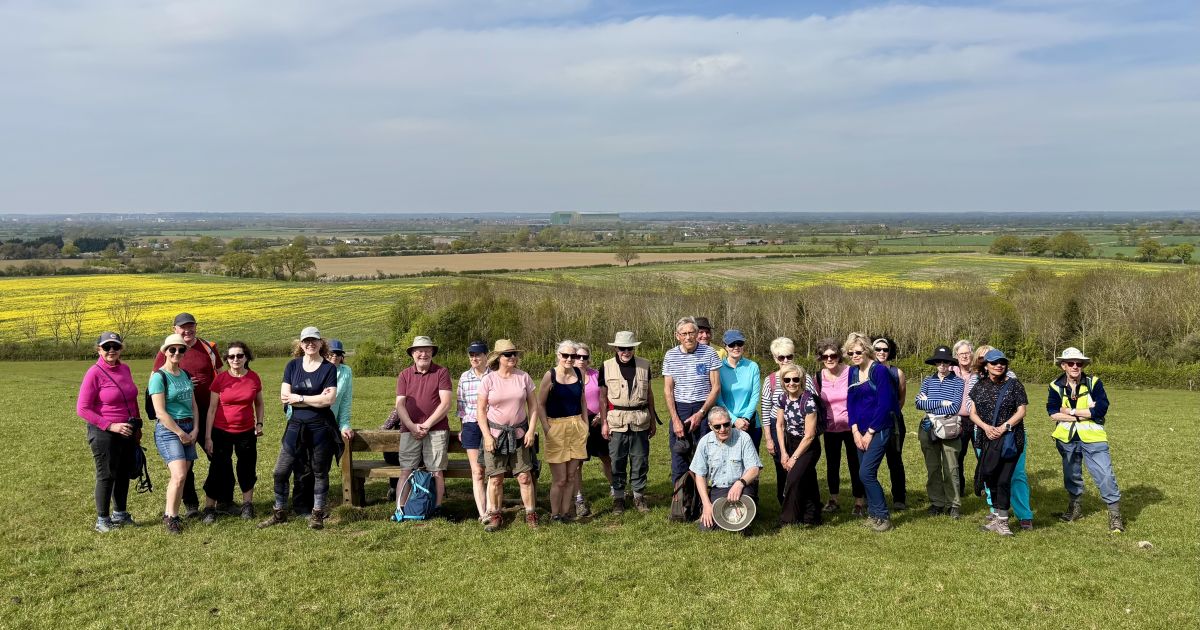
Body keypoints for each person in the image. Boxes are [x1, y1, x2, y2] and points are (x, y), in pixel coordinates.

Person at [259, 327, 339, 530]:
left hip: (321, 427)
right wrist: (314, 399)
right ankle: (279, 512)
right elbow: (285, 398)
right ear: (301, 344)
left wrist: (300, 398)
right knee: (280, 471)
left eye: (314, 340)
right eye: (306, 341)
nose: (310, 344)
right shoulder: (292, 366)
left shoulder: (329, 368)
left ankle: (317, 514)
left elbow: (329, 400)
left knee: (320, 471)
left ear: (321, 343)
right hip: (295, 426)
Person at [152, 312, 222, 518]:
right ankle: (191, 505)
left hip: (208, 413)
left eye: (191, 326)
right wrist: (182, 385)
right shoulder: (166, 350)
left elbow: (220, 373)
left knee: (218, 457)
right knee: (184, 465)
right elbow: (157, 378)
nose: (187, 330)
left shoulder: (208, 347)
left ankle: (219, 500)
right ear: (175, 329)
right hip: (179, 417)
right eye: (183, 327)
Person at [1047, 348, 1124, 533]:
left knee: (1104, 474)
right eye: (1071, 363)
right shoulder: (1055, 385)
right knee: (1071, 475)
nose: (1075, 366)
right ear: (1063, 365)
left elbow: (1101, 409)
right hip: (1067, 438)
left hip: (1093, 437)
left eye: (1079, 363)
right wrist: (1085, 414)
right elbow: (1052, 412)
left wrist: (1070, 411)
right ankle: (1075, 509)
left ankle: (1115, 515)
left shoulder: (1094, 383)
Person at [76, 332, 141, 533]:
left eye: (115, 346)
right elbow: (83, 408)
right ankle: (102, 520)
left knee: (123, 473)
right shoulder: (94, 373)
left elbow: (131, 399)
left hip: (127, 430)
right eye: (106, 347)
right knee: (106, 475)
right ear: (99, 350)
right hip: (104, 432)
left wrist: (138, 427)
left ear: (121, 348)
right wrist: (111, 426)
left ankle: (120, 513)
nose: (111, 350)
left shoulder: (125, 369)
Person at [478, 339, 540, 531]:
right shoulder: (489, 379)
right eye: (508, 354)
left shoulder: (523, 377)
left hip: (520, 434)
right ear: (499, 358)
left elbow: (534, 406)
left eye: (514, 354)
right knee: (496, 478)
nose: (512, 357)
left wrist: (530, 430)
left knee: (525, 477)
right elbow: (480, 411)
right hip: (496, 436)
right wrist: (487, 436)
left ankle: (531, 514)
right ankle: (495, 515)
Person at [970, 345, 1034, 531]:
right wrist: (985, 427)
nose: (999, 365)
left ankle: (1004, 522)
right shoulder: (979, 386)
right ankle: (996, 518)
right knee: (990, 477)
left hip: (1010, 439)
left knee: (1005, 478)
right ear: (986, 366)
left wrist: (1004, 427)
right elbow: (973, 412)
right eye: (994, 362)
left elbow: (1022, 411)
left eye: (1002, 362)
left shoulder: (1014, 384)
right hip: (986, 437)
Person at [201, 341, 264, 523]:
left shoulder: (253, 378)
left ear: (246, 357)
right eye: (231, 356)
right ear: (227, 359)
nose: (235, 359)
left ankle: (247, 505)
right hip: (221, 431)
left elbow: (259, 403)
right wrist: (207, 437)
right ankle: (209, 508)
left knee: (247, 467)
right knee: (218, 468)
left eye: (239, 355)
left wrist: (259, 424)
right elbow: (212, 409)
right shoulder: (220, 380)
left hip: (246, 431)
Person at [292, 339, 354, 517]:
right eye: (331, 354)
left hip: (327, 424)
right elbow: (295, 396)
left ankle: (318, 505)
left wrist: (344, 425)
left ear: (342, 357)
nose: (334, 358)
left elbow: (345, 401)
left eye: (338, 355)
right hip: (302, 421)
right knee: (303, 464)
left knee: (321, 465)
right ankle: (301, 505)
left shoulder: (345, 373)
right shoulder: (313, 368)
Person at [393, 336, 453, 518]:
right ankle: (400, 509)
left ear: (432, 353)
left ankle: (436, 508)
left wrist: (426, 425)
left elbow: (446, 403)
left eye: (427, 350)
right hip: (409, 431)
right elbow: (399, 405)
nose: (423, 354)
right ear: (412, 353)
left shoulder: (441, 372)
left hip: (436, 430)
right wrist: (411, 426)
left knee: (436, 471)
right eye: (419, 350)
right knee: (405, 471)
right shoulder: (404, 375)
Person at [844, 332, 898, 532]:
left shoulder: (879, 372)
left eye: (858, 352)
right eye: (850, 352)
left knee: (866, 473)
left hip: (879, 429)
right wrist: (856, 430)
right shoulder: (852, 372)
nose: (855, 355)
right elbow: (850, 402)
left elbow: (884, 405)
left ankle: (883, 517)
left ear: (866, 351)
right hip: (860, 430)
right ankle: (874, 514)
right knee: (864, 473)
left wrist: (870, 433)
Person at [599, 331, 657, 514]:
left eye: (629, 348)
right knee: (617, 460)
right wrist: (603, 423)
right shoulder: (606, 366)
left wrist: (653, 420)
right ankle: (618, 497)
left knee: (640, 460)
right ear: (616, 348)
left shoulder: (645, 365)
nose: (626, 351)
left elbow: (649, 394)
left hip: (640, 420)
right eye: (622, 348)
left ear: (634, 348)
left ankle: (639, 496)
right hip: (616, 420)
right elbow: (602, 397)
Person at [149, 333, 200, 534]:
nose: (177, 353)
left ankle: (175, 514)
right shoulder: (158, 377)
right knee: (178, 475)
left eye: (181, 350)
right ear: (165, 352)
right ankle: (170, 516)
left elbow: (193, 405)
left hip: (189, 427)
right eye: (173, 349)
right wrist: (180, 433)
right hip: (170, 430)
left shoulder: (185, 375)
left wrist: (195, 429)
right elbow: (160, 412)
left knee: (183, 475)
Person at [662, 317, 722, 485]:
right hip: (680, 409)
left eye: (691, 333)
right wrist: (675, 419)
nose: (688, 337)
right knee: (679, 457)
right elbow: (668, 389)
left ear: (697, 334)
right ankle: (681, 504)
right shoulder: (671, 355)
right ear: (677, 335)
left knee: (704, 457)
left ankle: (703, 502)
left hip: (703, 407)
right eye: (684, 334)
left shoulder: (710, 353)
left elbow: (716, 387)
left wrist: (701, 413)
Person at [537, 340, 589, 523]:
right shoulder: (549, 376)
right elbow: (540, 404)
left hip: (576, 426)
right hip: (556, 427)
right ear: (558, 356)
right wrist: (546, 427)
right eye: (565, 355)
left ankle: (567, 512)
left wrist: (585, 424)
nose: (569, 359)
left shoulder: (579, 373)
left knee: (571, 475)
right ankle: (555, 514)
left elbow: (583, 401)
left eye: (573, 356)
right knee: (559, 478)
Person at [759, 337, 814, 507]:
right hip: (779, 427)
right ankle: (784, 502)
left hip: (802, 428)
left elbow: (814, 403)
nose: (785, 361)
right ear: (775, 358)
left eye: (789, 357)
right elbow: (766, 410)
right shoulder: (771, 380)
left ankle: (806, 503)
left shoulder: (804, 377)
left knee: (802, 467)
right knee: (782, 466)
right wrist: (769, 438)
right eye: (781, 357)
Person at [814, 339, 865, 517]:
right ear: (820, 358)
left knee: (855, 464)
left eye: (833, 355)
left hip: (853, 427)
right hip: (830, 430)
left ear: (839, 356)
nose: (829, 359)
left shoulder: (851, 372)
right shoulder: (818, 377)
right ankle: (834, 499)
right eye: (825, 356)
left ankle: (859, 501)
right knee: (832, 464)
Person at [690, 407, 763, 532]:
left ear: (731, 422)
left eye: (726, 424)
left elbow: (754, 469)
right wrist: (707, 505)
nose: (723, 429)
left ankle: (745, 517)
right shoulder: (704, 442)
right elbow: (700, 475)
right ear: (710, 426)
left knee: (741, 527)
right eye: (717, 426)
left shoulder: (743, 438)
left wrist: (740, 484)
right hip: (719, 489)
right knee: (706, 528)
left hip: (743, 487)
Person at [914, 346, 965, 519]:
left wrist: (932, 401)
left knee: (951, 467)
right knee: (933, 467)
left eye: (945, 362)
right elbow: (918, 403)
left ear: (950, 364)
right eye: (939, 362)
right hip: (928, 427)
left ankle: (954, 504)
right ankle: (937, 502)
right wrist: (942, 402)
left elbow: (955, 406)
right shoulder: (928, 381)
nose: (942, 365)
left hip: (950, 427)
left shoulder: (958, 382)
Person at [774, 364, 823, 527]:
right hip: (791, 442)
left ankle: (787, 519)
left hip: (808, 446)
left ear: (801, 380)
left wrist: (794, 458)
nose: (791, 383)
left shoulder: (808, 401)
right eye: (787, 380)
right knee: (807, 478)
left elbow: (809, 435)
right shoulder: (782, 398)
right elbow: (780, 425)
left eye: (795, 379)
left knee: (794, 478)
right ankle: (812, 516)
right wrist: (783, 452)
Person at [573, 342, 611, 518]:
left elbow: (607, 397)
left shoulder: (597, 375)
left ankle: (615, 489)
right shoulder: (566, 377)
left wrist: (602, 417)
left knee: (606, 457)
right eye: (578, 356)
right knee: (577, 463)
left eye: (585, 357)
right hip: (576, 423)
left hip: (597, 421)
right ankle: (579, 498)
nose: (581, 360)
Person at [456, 340, 492, 523]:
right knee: (477, 471)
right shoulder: (464, 377)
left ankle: (494, 509)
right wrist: (463, 428)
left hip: (492, 426)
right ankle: (483, 513)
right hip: (471, 426)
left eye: (478, 354)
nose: (474, 358)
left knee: (492, 470)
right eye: (471, 355)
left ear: (487, 356)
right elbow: (461, 407)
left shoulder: (494, 376)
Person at [872, 336, 908, 511]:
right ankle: (869, 497)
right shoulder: (866, 371)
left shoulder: (897, 373)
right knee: (870, 462)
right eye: (877, 349)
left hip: (894, 424)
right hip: (872, 423)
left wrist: (890, 415)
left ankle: (899, 498)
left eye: (885, 349)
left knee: (895, 461)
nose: (881, 352)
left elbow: (901, 399)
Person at [717, 330, 762, 448]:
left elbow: (755, 395)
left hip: (751, 424)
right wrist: (734, 420)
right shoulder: (718, 368)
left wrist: (745, 418)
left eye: (739, 343)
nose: (736, 347)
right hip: (726, 424)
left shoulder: (752, 366)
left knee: (751, 465)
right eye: (732, 344)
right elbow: (718, 399)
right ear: (725, 346)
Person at [950, 340, 976, 498]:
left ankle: (981, 485)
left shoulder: (979, 373)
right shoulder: (951, 372)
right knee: (958, 455)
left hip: (978, 419)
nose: (965, 356)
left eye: (967, 353)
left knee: (983, 454)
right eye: (961, 354)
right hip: (958, 419)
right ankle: (959, 488)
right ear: (956, 356)